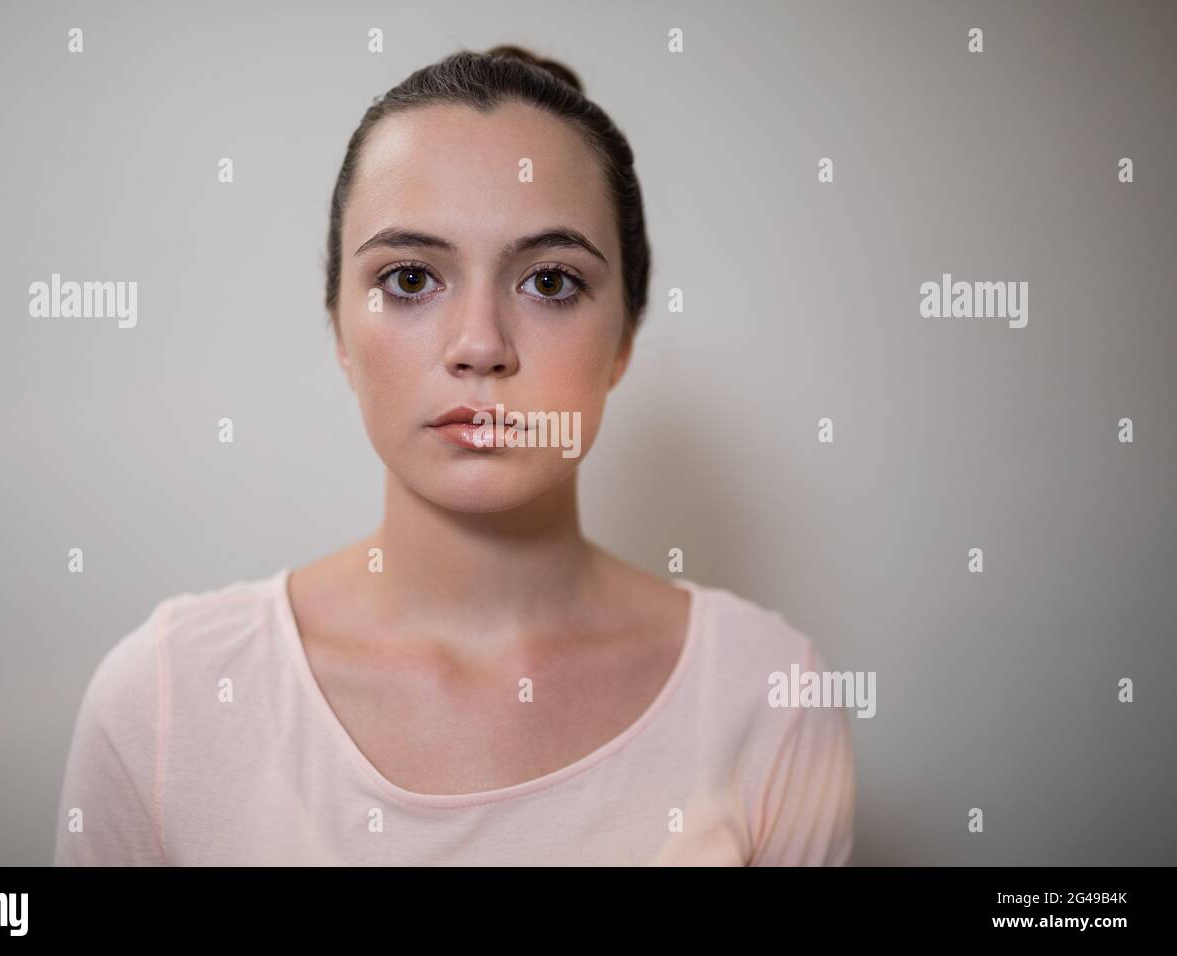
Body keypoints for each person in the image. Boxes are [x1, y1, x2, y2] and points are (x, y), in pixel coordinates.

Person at [54, 44, 855, 866]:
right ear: (338, 328)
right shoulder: (163, 699)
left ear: (625, 338)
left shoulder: (771, 696)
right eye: (408, 278)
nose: (479, 346)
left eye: (549, 282)